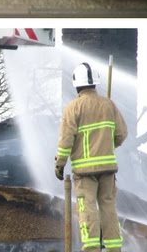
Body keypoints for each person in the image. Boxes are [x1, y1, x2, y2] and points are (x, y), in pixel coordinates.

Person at [55, 63, 128, 252]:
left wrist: (60, 164)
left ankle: (92, 249)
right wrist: (106, 145)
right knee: (108, 207)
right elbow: (121, 134)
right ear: (95, 83)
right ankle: (114, 249)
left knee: (87, 208)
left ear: (76, 85)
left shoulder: (73, 107)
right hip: (108, 169)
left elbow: (66, 140)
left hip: (84, 172)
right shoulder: (109, 104)